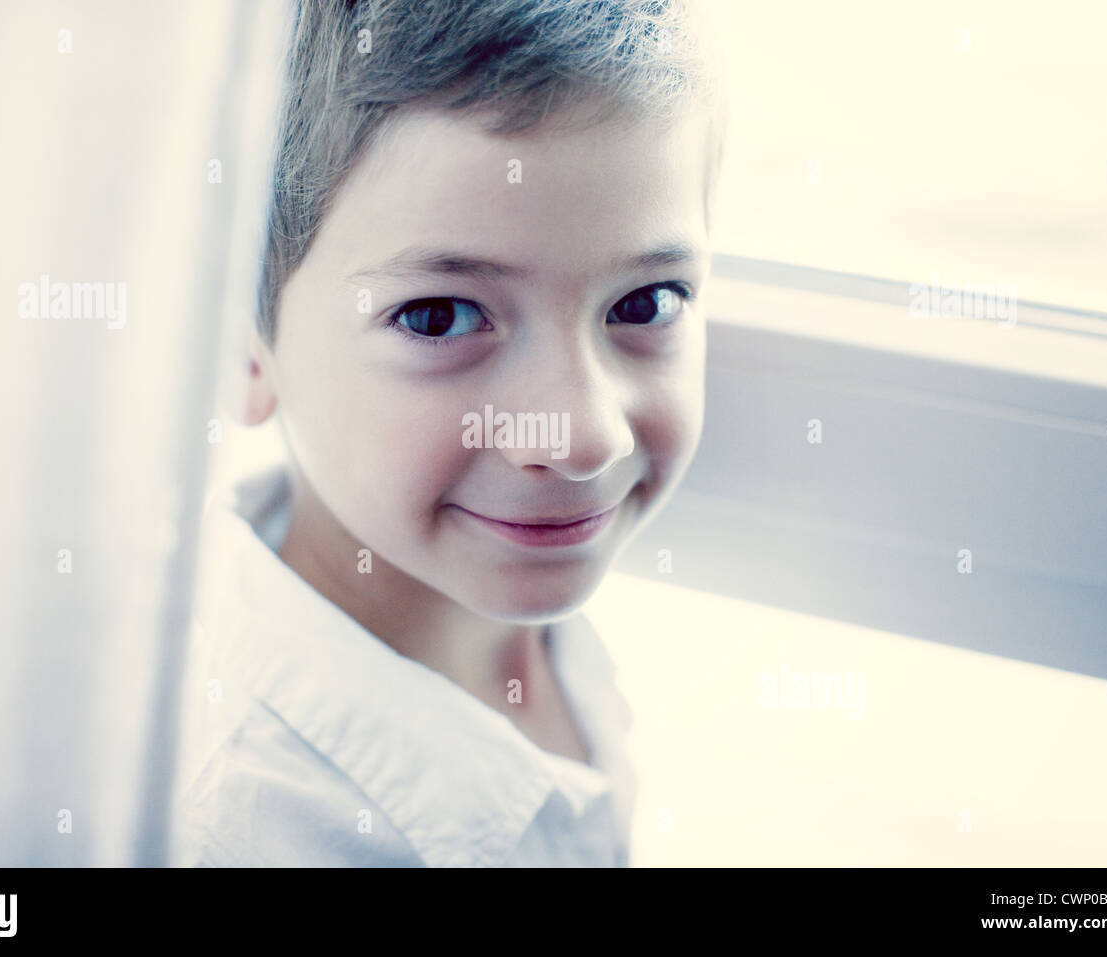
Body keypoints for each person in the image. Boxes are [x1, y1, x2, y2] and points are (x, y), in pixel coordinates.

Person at [173, 0, 727, 867]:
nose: (585, 436)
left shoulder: (543, 638)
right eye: (437, 317)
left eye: (645, 302)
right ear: (242, 352)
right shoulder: (245, 829)